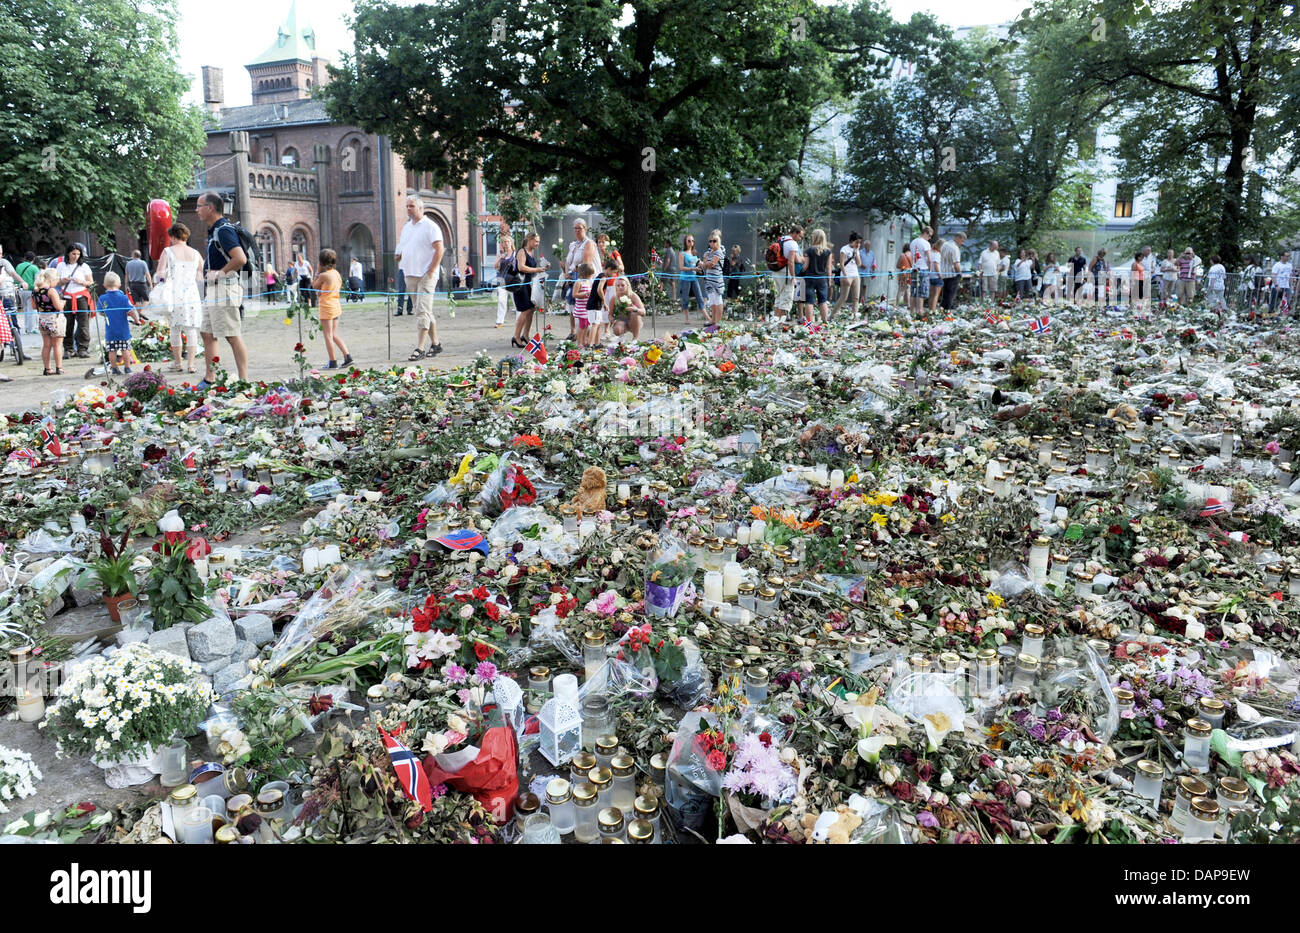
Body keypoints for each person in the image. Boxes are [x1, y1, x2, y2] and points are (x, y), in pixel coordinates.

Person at [195, 190, 250, 386]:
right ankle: (210, 378)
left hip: (225, 288)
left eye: (199, 206)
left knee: (232, 334)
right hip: (214, 290)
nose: (196, 210)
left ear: (210, 208)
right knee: (207, 333)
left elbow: (240, 258)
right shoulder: (215, 230)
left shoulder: (224, 230)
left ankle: (244, 380)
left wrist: (219, 273)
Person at [395, 195, 445, 360]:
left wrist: (431, 270)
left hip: (426, 275)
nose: (408, 209)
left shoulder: (431, 226)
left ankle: (420, 348)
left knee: (422, 311)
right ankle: (436, 344)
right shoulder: (407, 227)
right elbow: (402, 247)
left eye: (411, 206)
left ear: (420, 208)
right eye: (407, 206)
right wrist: (400, 256)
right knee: (423, 311)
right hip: (409, 274)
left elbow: (439, 249)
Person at [154, 222, 204, 373]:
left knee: (175, 329)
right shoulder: (195, 253)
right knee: (191, 330)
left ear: (173, 236)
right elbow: (201, 274)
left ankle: (178, 363)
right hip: (191, 294)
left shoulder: (168, 252)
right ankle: (191, 364)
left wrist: (163, 280)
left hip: (174, 295)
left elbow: (159, 274)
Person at [314, 249, 354, 368]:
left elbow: (314, 286)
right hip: (335, 304)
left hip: (326, 306)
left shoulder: (323, 275)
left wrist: (318, 271)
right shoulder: (336, 273)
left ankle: (332, 361)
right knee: (334, 334)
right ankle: (347, 356)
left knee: (327, 335)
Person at [97, 272, 142, 374]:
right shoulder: (124, 298)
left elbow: (100, 312)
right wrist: (137, 320)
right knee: (125, 349)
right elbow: (132, 311)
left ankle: (114, 368)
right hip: (123, 330)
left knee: (112, 350)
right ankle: (127, 367)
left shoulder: (102, 298)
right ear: (119, 285)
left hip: (110, 330)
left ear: (104, 285)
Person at [562, 220, 601, 340]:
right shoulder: (573, 244)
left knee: (586, 309)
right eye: (575, 228)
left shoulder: (589, 243)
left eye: (579, 228)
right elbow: (568, 261)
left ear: (585, 228)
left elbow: (586, 264)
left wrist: (572, 271)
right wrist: (567, 272)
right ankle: (575, 333)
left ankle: (587, 338)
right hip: (573, 278)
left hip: (588, 279)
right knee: (573, 306)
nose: (577, 230)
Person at [57, 243, 94, 357]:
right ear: (68, 253)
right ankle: (68, 348)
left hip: (81, 297)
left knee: (83, 324)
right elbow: (56, 281)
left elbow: (91, 282)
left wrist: (81, 282)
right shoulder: (61, 265)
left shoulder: (84, 266)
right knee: (67, 324)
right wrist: (63, 281)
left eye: (78, 254)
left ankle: (83, 348)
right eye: (73, 253)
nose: (76, 256)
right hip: (66, 297)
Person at [510, 232, 547, 349]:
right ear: (529, 240)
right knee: (525, 310)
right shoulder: (522, 251)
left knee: (531, 309)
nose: (537, 244)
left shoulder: (531, 252)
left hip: (530, 284)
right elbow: (521, 267)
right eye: (536, 241)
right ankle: (516, 336)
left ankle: (525, 335)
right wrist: (537, 269)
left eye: (539, 241)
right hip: (521, 285)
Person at [32, 268, 66, 375]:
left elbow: (34, 307)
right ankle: (59, 368)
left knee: (46, 345)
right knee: (57, 345)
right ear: (51, 280)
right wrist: (63, 303)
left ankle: (47, 369)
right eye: (56, 281)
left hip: (42, 319)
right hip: (54, 319)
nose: (56, 283)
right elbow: (58, 306)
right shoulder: (51, 291)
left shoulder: (35, 291)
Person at [800, 228, 833, 324]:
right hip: (822, 278)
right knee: (823, 301)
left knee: (809, 301)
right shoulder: (828, 251)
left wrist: (799, 272)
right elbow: (828, 267)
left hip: (809, 278)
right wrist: (829, 279)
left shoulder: (808, 250)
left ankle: (809, 324)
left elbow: (805, 266)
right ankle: (825, 321)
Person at [772, 225, 804, 321]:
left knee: (779, 296)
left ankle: (775, 320)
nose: (800, 239)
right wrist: (793, 277)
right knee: (786, 297)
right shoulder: (792, 244)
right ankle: (780, 322)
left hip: (776, 271)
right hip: (785, 273)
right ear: (795, 233)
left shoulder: (781, 239)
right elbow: (791, 261)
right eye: (800, 236)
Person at [606, 273, 646, 342]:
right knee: (617, 329)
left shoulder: (633, 295)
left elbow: (643, 312)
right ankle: (621, 337)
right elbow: (610, 314)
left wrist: (635, 309)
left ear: (627, 286)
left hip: (634, 320)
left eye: (622, 285)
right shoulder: (614, 298)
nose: (620, 287)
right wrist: (612, 320)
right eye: (618, 285)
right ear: (615, 287)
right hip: (621, 321)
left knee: (634, 313)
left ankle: (635, 339)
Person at [700, 229, 726, 325]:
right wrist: (705, 263)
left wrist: (704, 263)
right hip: (709, 279)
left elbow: (711, 264)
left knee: (718, 300)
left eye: (714, 240)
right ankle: (713, 320)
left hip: (717, 280)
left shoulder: (719, 252)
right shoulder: (709, 252)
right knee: (712, 301)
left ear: (718, 241)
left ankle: (718, 321)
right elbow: (706, 263)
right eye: (710, 241)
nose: (712, 243)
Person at [677, 233, 704, 322]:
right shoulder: (682, 253)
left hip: (694, 278)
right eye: (689, 240)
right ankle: (687, 318)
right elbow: (681, 268)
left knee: (700, 297)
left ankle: (707, 318)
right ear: (685, 242)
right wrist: (693, 268)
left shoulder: (694, 253)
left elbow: (698, 262)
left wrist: (701, 263)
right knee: (685, 299)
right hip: (685, 279)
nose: (691, 242)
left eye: (692, 241)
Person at [570, 262, 597, 347]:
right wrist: (584, 294)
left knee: (586, 325)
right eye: (590, 274)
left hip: (587, 308)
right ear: (585, 274)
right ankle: (579, 342)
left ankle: (584, 340)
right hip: (581, 308)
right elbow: (574, 295)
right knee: (582, 326)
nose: (591, 276)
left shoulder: (589, 282)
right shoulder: (578, 282)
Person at [833, 232, 861, 314]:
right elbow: (841, 264)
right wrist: (845, 277)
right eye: (857, 242)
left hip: (855, 275)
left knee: (856, 298)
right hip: (846, 275)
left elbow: (859, 264)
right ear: (852, 241)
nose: (858, 244)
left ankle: (855, 316)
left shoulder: (856, 250)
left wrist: (857, 252)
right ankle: (832, 315)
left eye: (859, 242)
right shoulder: (844, 249)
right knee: (843, 297)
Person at [908, 226, 932, 314]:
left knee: (913, 291)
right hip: (923, 268)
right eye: (929, 236)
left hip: (914, 268)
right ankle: (920, 312)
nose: (930, 238)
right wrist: (930, 269)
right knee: (921, 292)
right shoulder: (926, 243)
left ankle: (911, 312)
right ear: (926, 233)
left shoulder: (913, 242)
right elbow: (929, 259)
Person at [15, 251, 39, 334]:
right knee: (31, 310)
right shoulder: (34, 268)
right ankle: (30, 329)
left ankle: (26, 327)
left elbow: (15, 278)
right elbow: (37, 281)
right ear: (33, 259)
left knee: (25, 309)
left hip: (20, 290)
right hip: (30, 290)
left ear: (25, 257)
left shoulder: (18, 266)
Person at [494, 234, 514, 329]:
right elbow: (496, 267)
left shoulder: (515, 254)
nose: (506, 244)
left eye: (508, 242)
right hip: (502, 280)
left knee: (516, 302)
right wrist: (498, 259)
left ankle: (519, 320)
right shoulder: (502, 255)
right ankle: (499, 321)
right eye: (504, 242)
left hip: (513, 281)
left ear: (511, 243)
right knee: (501, 301)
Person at [940, 232, 965, 310]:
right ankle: (948, 311)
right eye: (962, 241)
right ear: (958, 238)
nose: (962, 243)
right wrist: (960, 274)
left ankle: (943, 309)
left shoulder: (945, 244)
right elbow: (956, 264)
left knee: (945, 294)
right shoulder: (955, 248)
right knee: (950, 295)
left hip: (944, 273)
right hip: (952, 274)